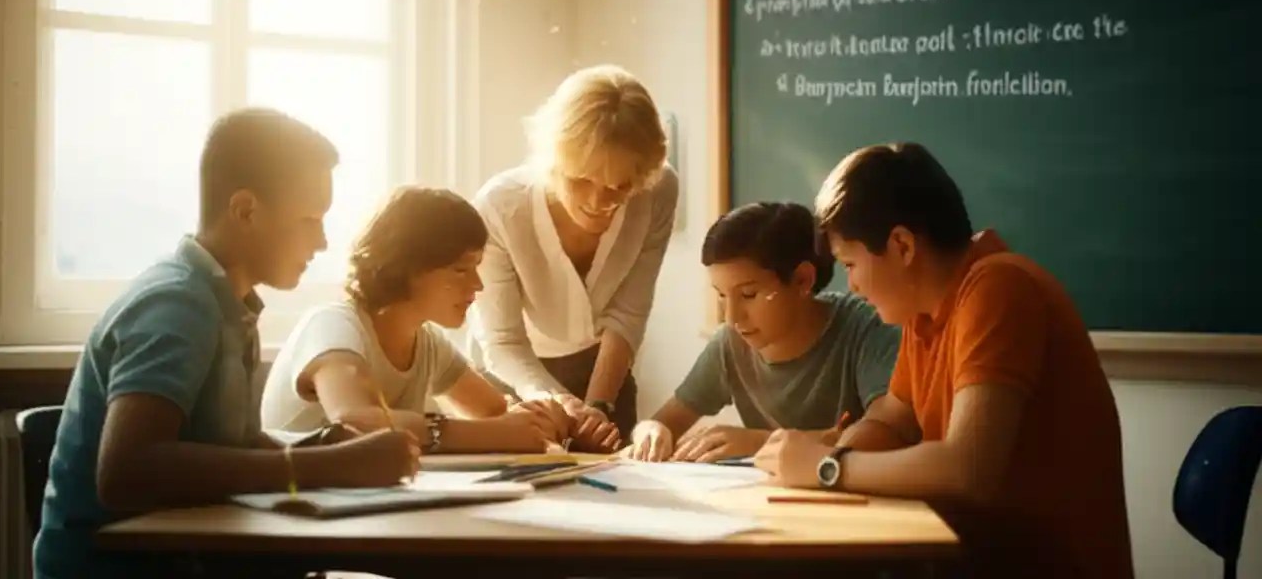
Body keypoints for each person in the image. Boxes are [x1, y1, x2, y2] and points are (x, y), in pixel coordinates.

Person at [34, 109, 418, 579]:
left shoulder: (226, 302)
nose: (321, 242)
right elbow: (126, 472)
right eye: (310, 220)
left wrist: (318, 448)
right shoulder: (177, 304)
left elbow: (220, 446)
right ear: (245, 211)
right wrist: (330, 466)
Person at [754, 142, 1133, 579]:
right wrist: (827, 450)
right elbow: (893, 421)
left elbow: (967, 468)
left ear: (902, 246)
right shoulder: (926, 310)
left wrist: (827, 468)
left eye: (850, 263)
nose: (851, 285)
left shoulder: (998, 288)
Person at [261, 186, 575, 453]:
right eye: (461, 269)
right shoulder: (332, 324)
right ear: (407, 267)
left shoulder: (425, 343)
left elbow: (494, 411)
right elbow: (356, 420)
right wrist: (495, 433)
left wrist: (536, 418)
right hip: (292, 511)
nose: (478, 285)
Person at [468, 64, 678, 442]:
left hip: (604, 370)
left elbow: (629, 311)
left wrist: (597, 406)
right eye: (580, 180)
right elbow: (504, 342)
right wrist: (564, 404)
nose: (599, 201)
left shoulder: (658, 190)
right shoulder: (501, 206)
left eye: (620, 186)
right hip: (512, 377)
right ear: (552, 160)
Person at [625, 202, 898, 463]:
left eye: (748, 294)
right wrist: (650, 431)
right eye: (721, 295)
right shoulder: (731, 344)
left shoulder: (867, 328)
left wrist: (761, 442)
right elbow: (663, 421)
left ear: (803, 280)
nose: (731, 317)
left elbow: (888, 435)